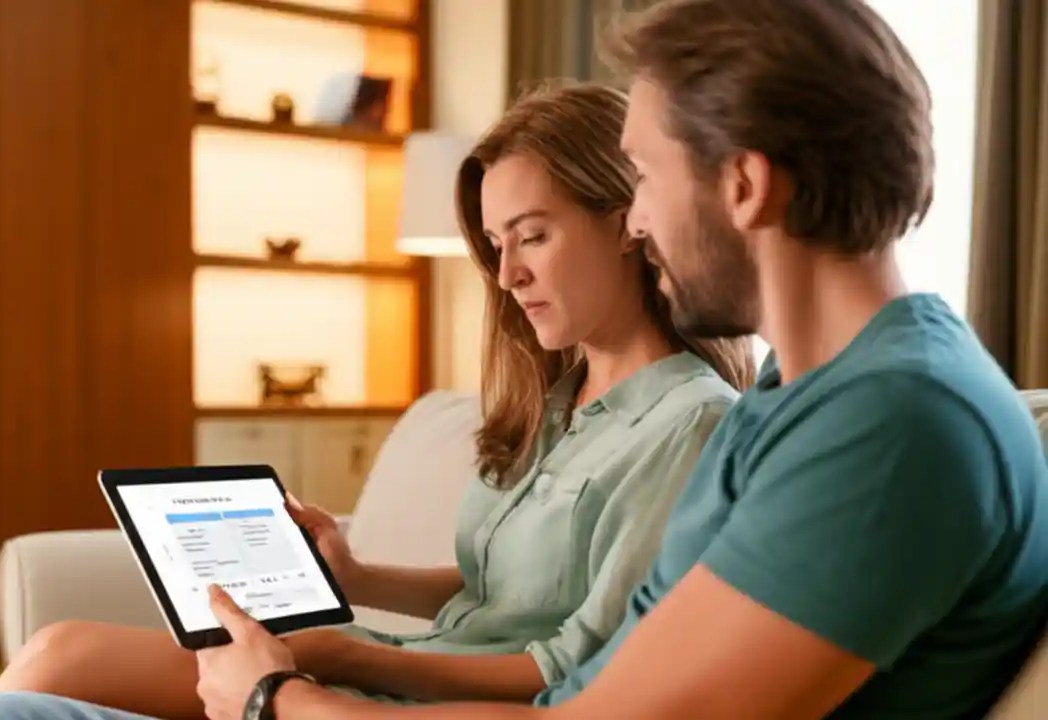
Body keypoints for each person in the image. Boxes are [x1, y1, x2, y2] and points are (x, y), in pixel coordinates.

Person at [183, 0, 1048, 717]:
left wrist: (278, 699)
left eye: (641, 175)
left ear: (743, 185)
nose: (634, 222)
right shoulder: (804, 397)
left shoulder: (895, 425)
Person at [0, 83, 755, 720]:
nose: (508, 277)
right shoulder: (555, 403)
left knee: (48, 673)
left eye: (532, 236)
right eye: (497, 245)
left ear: (627, 222)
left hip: (423, 696)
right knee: (51, 661)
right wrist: (359, 574)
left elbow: (576, 661)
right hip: (391, 672)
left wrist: (334, 659)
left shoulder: (690, 423)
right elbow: (507, 593)